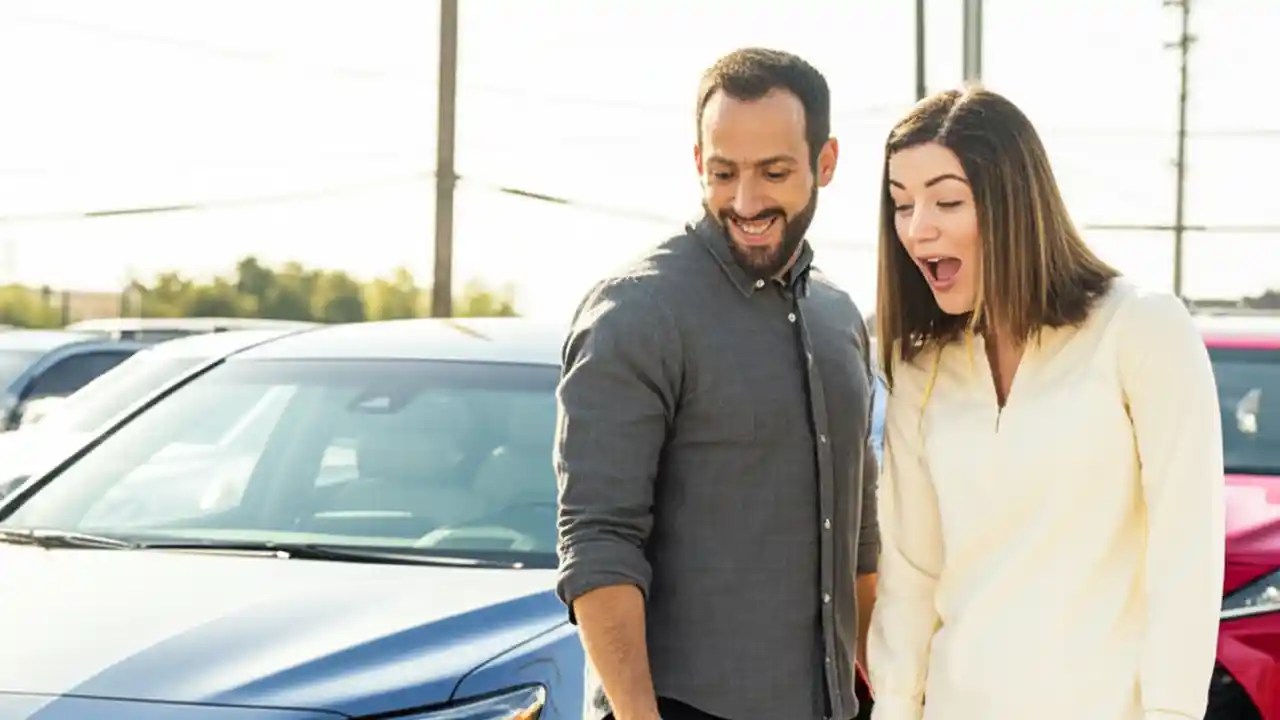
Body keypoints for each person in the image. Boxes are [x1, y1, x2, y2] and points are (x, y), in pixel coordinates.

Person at [866, 86, 1225, 720]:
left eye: (947, 200)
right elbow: (910, 577)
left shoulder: (1141, 329)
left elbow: (1187, 558)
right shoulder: (920, 366)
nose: (917, 229)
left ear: (1013, 201)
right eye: (901, 205)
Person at [554, 48, 880, 720]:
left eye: (774, 172)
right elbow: (598, 544)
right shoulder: (638, 312)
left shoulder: (839, 318)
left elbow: (861, 541)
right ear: (699, 162)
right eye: (724, 172)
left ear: (826, 163)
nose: (747, 201)